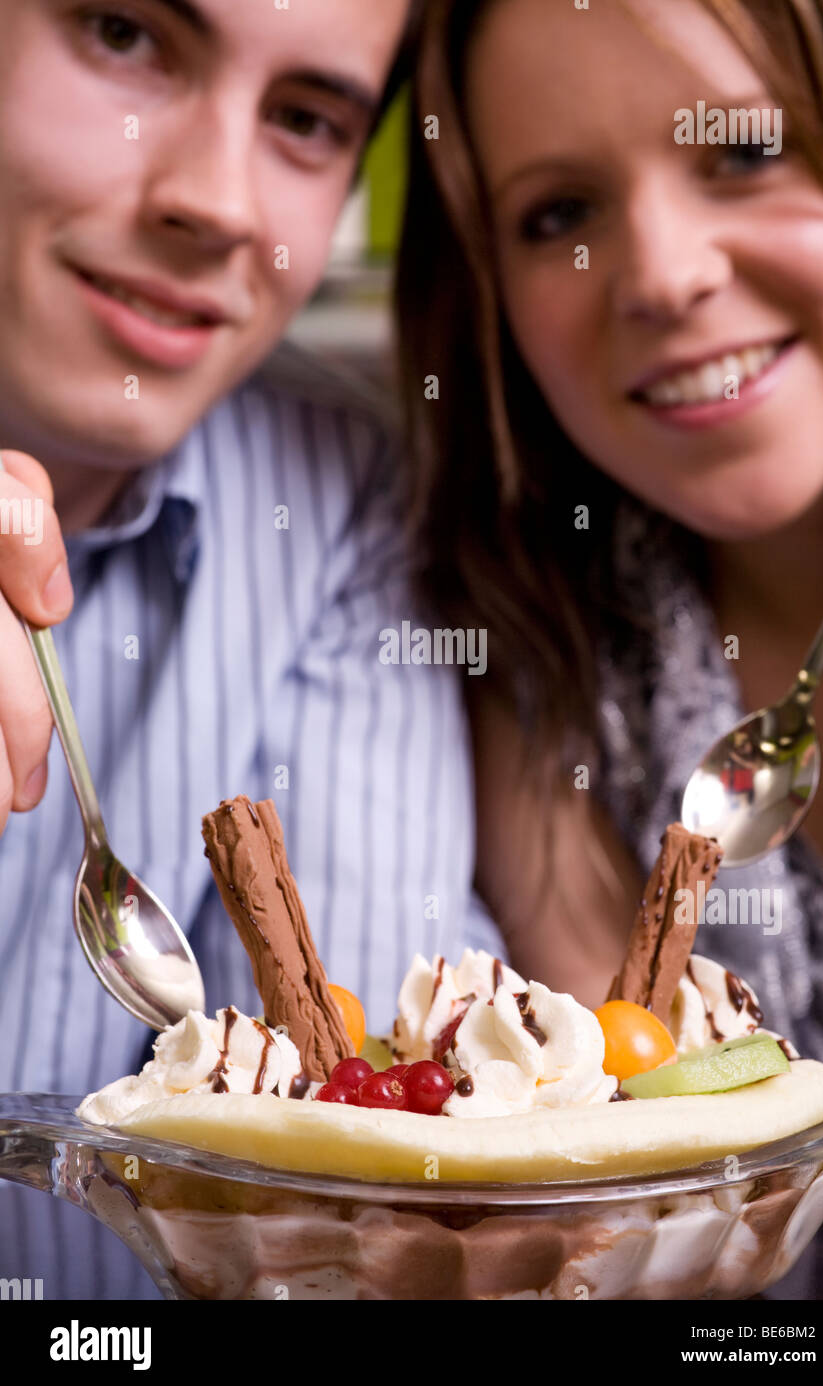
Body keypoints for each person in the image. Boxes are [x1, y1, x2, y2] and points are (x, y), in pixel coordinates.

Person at [0, 0, 507, 1299]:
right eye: (123, 33)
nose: (217, 202)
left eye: (304, 118)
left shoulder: (346, 504)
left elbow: (356, 1219)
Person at [396, 0, 823, 1062]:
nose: (660, 274)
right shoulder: (542, 675)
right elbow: (651, 1173)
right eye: (559, 213)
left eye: (744, 150)